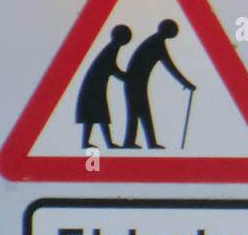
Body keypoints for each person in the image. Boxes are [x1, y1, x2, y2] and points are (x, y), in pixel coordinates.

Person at [122, 19, 195, 149]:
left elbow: (169, 65)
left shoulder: (155, 41)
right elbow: (170, 66)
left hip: (135, 83)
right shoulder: (156, 43)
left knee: (141, 113)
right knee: (138, 112)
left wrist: (186, 83)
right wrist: (186, 83)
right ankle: (136, 142)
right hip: (135, 83)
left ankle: (145, 142)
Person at [75, 24, 131, 150]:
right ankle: (101, 143)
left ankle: (106, 143)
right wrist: (126, 77)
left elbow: (111, 67)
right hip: (94, 87)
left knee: (99, 115)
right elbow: (111, 67)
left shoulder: (112, 48)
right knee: (97, 115)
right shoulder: (111, 48)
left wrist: (124, 76)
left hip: (96, 86)